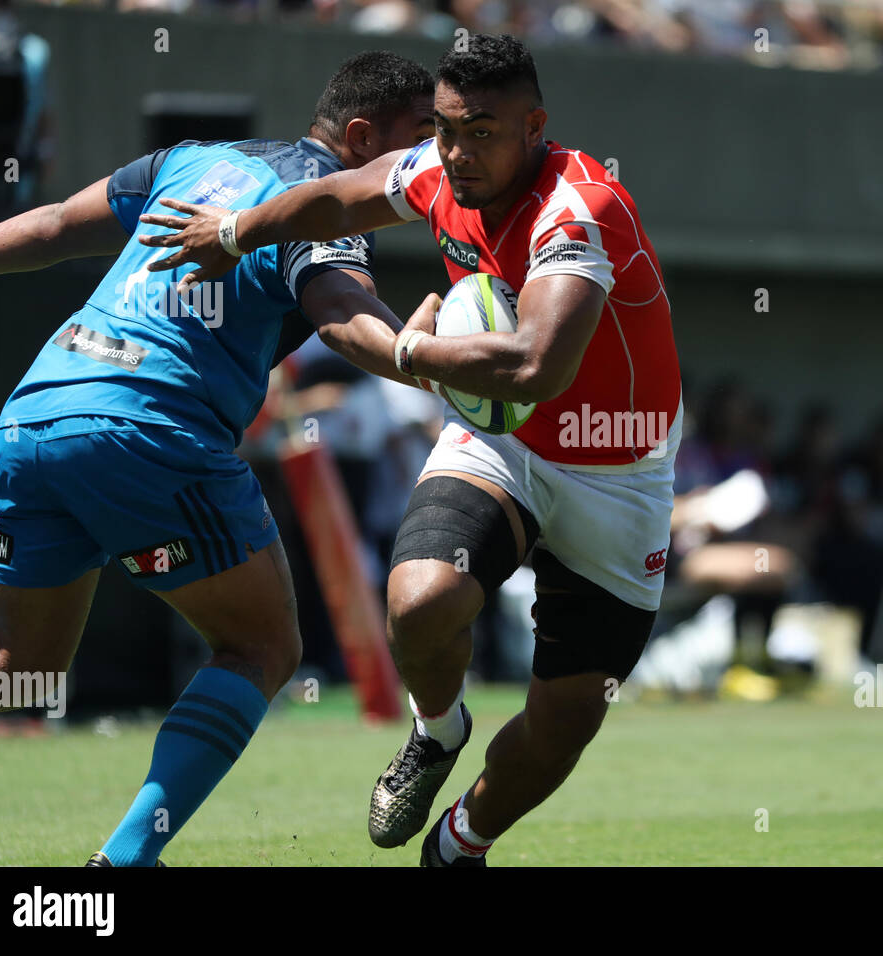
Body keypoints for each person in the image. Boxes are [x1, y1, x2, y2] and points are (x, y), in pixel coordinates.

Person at [140, 33, 683, 866]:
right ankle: (436, 733)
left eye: (484, 132)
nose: (459, 154)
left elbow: (536, 366)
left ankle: (462, 842)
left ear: (535, 126)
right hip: (504, 444)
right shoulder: (435, 168)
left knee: (566, 721)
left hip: (618, 472)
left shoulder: (582, 207)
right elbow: (338, 196)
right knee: (419, 603)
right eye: (446, 128)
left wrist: (407, 354)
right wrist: (239, 228)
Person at [0, 51, 438, 865]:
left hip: (36, 411)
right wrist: (418, 355)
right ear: (363, 138)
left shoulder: (190, 160)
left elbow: (46, 230)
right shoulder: (318, 209)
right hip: (150, 429)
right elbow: (339, 314)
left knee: (12, 674)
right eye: (422, 141)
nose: (438, 164)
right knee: (264, 647)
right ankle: (120, 868)